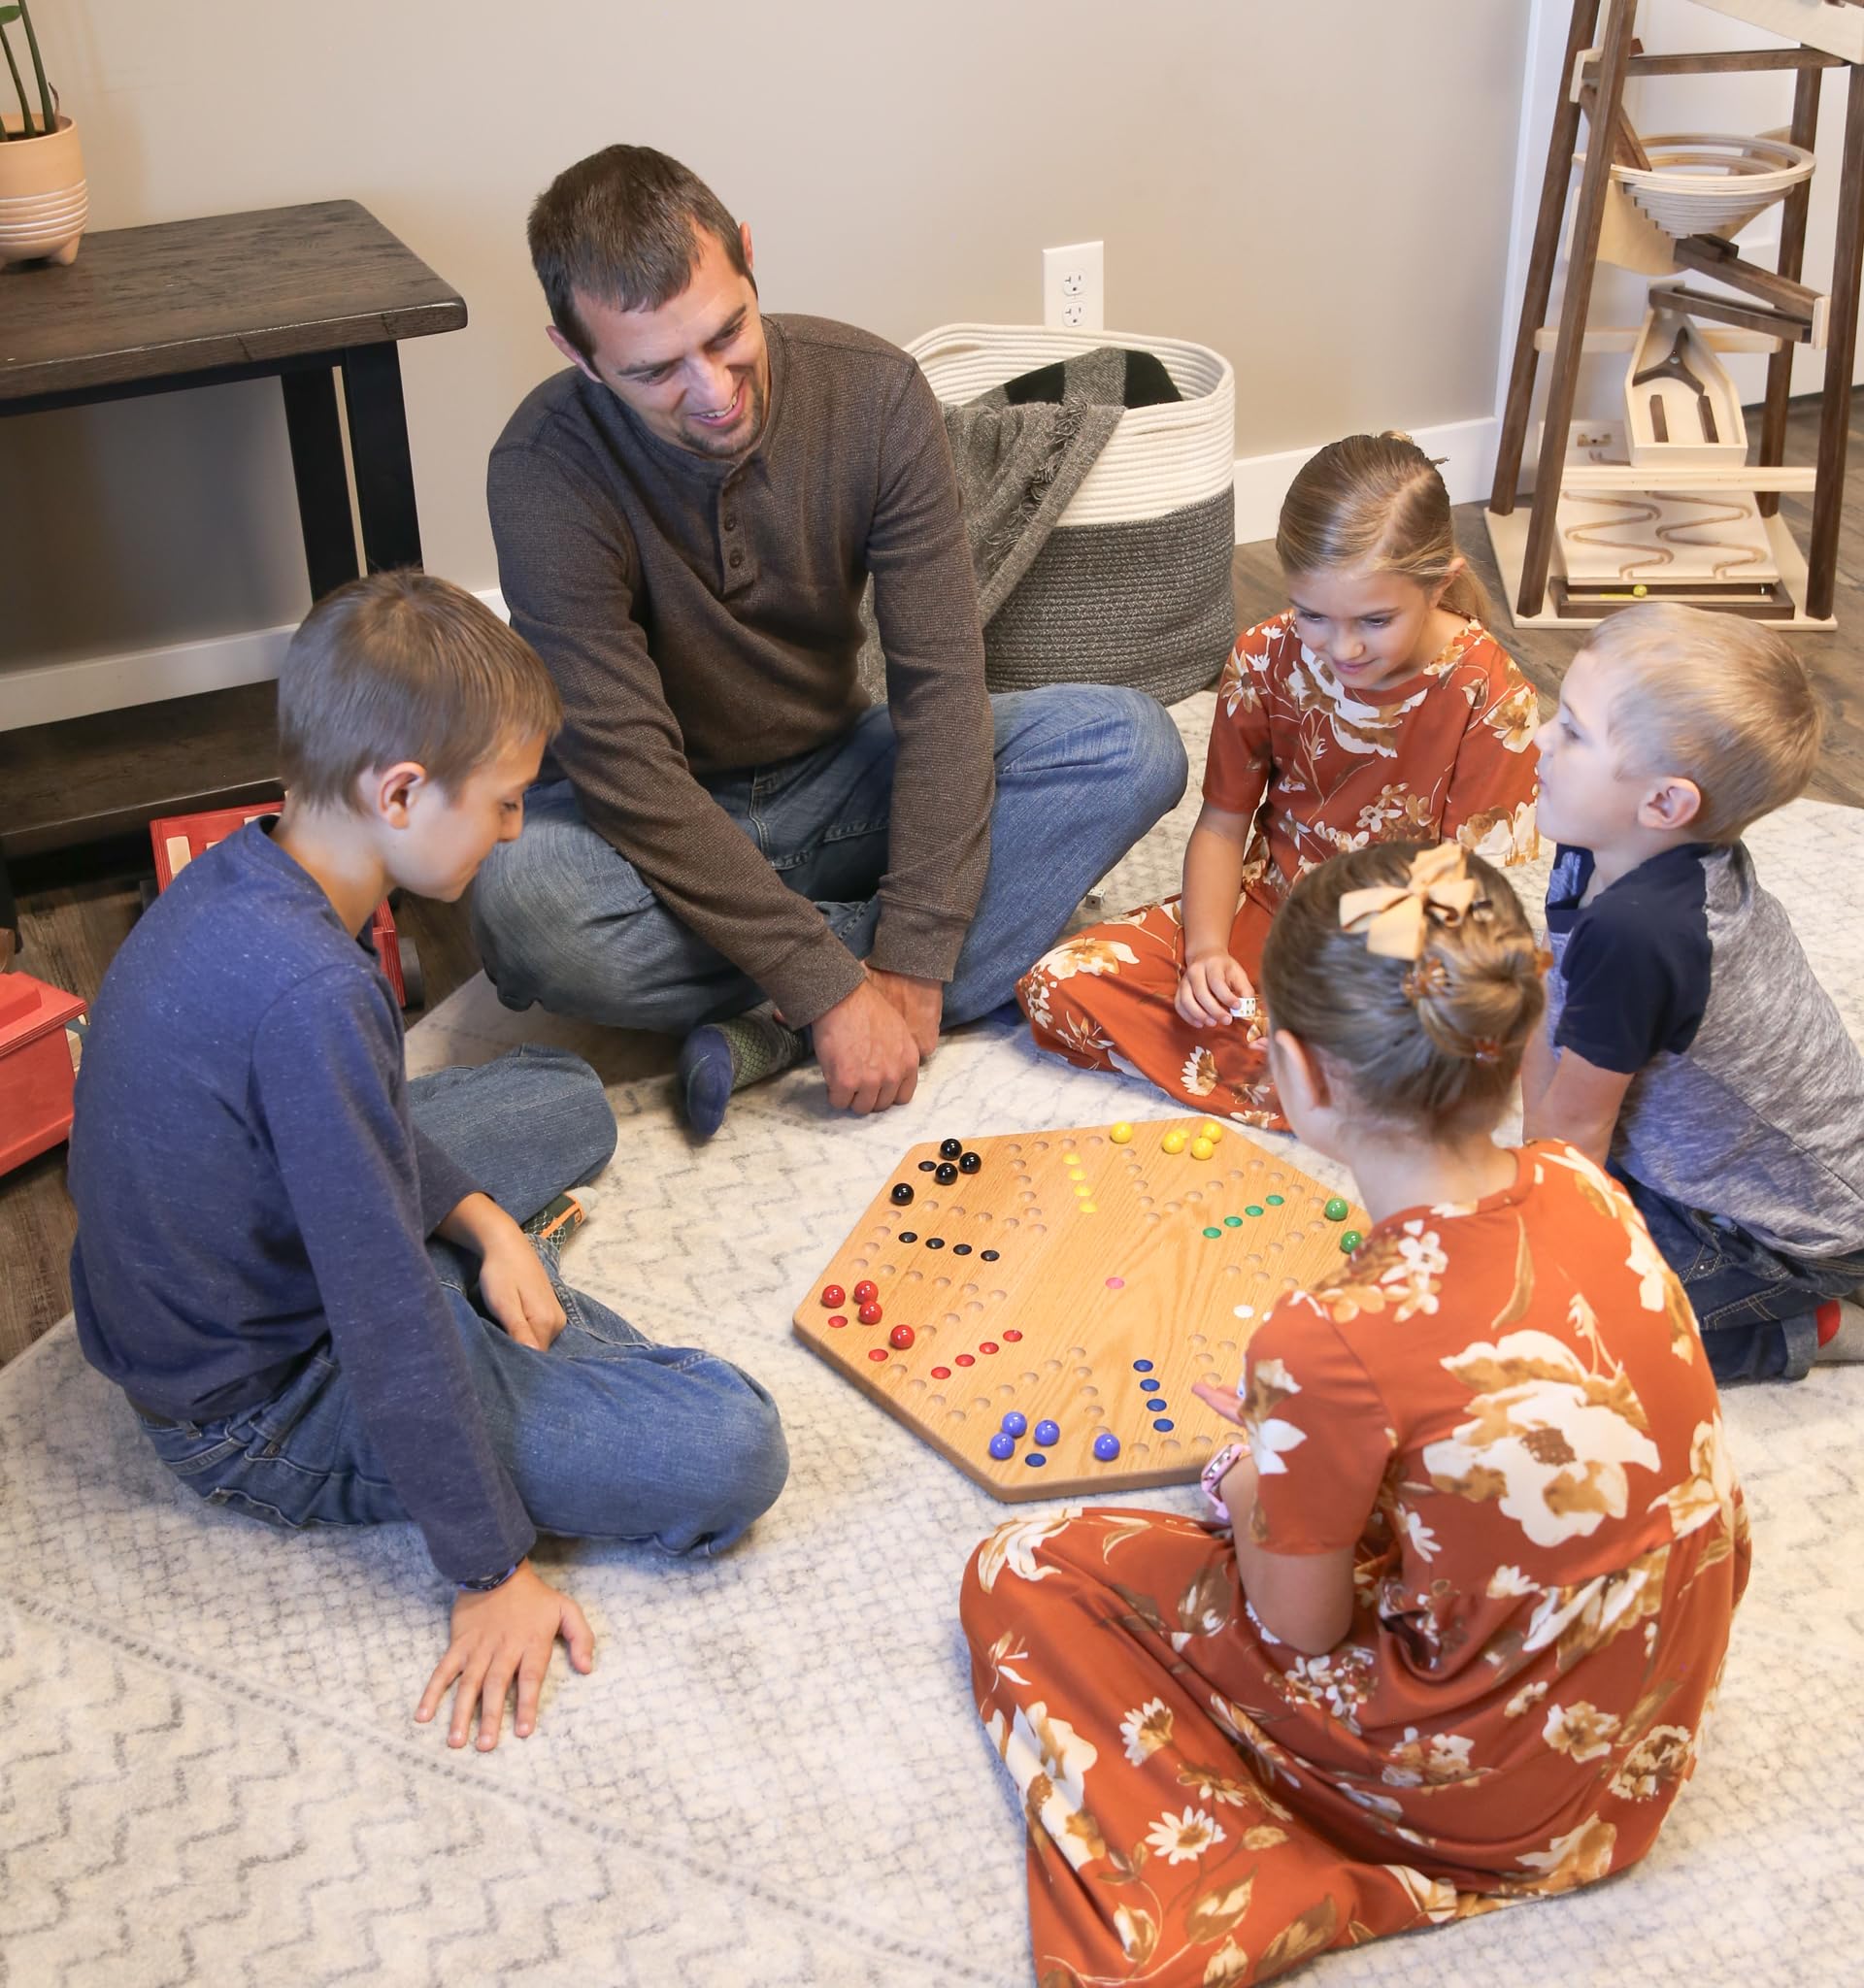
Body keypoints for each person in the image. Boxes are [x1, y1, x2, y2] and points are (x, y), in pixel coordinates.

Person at [961, 841, 1748, 1988]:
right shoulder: (1590, 1189)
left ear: (1297, 1072)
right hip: (1640, 1735)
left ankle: (1274, 1857)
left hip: (1488, 1793)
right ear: (1525, 1033)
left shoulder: (1323, 1339)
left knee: (1025, 1563)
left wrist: (1246, 1479)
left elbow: (1301, 1629)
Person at [67, 573, 787, 1753]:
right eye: (505, 804)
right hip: (256, 1399)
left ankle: (494, 1255)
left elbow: (350, 1126)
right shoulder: (314, 992)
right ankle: (518, 1366)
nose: (516, 829)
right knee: (729, 1445)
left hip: (244, 1245)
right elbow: (381, 1305)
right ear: (400, 792)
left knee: (564, 1100)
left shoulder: (253, 871)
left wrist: (485, 1222)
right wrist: (490, 1564)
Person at [472, 145, 1187, 1136]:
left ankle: (764, 1019)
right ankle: (831, 989)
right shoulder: (543, 471)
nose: (715, 390)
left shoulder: (877, 394)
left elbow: (941, 692)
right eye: (655, 371)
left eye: (728, 335)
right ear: (575, 353)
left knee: (1130, 744)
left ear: (750, 258)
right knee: (521, 902)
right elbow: (629, 772)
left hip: (836, 780)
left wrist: (914, 956)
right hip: (638, 821)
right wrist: (835, 985)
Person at [1016, 433, 1540, 1127]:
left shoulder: (1491, 695)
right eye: (1314, 615)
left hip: (1408, 945)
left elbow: (1467, 896)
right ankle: (1318, 1090)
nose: (1343, 648)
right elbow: (1223, 825)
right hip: (1275, 905)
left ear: (1441, 582)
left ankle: (1317, 1076)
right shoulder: (1263, 658)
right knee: (1058, 986)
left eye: (1375, 621)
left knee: (1451, 1040)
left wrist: (1340, 988)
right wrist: (1204, 953)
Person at [1524, 601, 1864, 1381]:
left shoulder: (1641, 933)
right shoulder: (1610, 847)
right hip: (1746, 1165)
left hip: (1793, 1232)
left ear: (1667, 804)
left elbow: (1570, 1132)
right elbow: (1555, 1000)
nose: (1542, 737)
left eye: (1572, 730)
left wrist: (1535, 1250)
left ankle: (1809, 1324)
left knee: (1582, 1334)